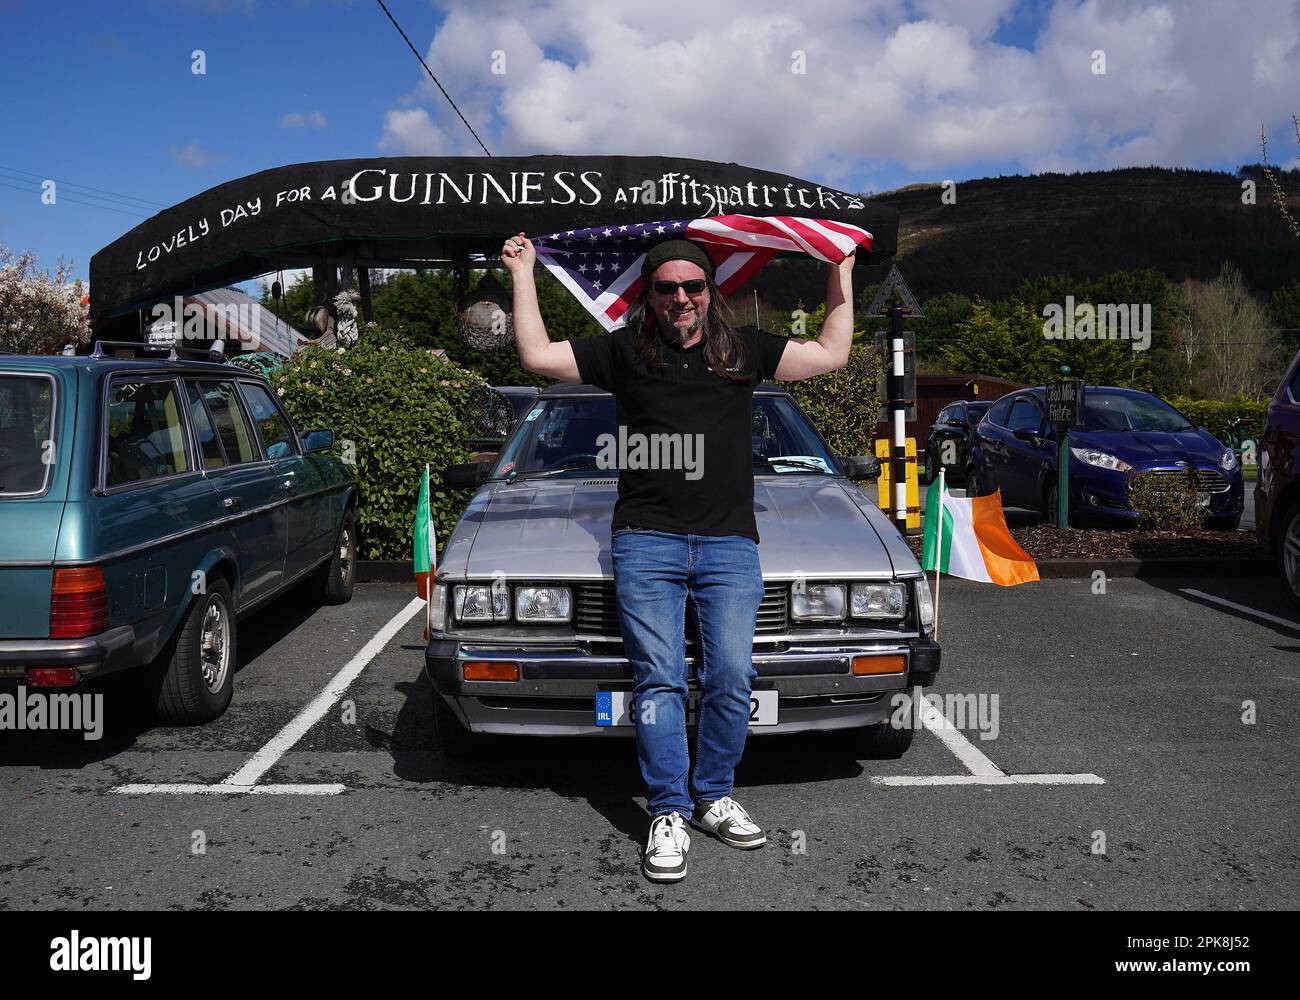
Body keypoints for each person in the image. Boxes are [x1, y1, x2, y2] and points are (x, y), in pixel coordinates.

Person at [501, 232, 856, 882]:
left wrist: (840, 271)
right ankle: (668, 808)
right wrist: (524, 271)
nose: (681, 298)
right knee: (659, 681)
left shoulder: (744, 349)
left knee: (730, 677)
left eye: (693, 286)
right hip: (645, 542)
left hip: (729, 545)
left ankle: (714, 795)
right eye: (667, 288)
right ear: (650, 296)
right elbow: (536, 354)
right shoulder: (623, 353)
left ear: (710, 291)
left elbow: (833, 351)